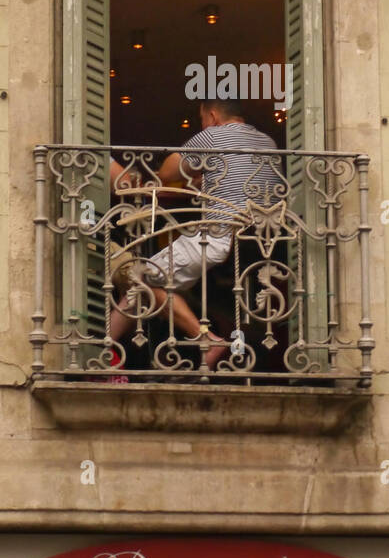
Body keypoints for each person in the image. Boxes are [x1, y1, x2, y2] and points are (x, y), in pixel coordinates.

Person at [108, 99, 282, 369]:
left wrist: (182, 172)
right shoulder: (268, 141)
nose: (202, 126)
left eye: (201, 120)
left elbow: (168, 171)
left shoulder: (213, 135)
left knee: (144, 277)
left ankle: (207, 340)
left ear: (212, 116)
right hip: (261, 241)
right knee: (147, 283)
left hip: (219, 233)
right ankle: (106, 350)